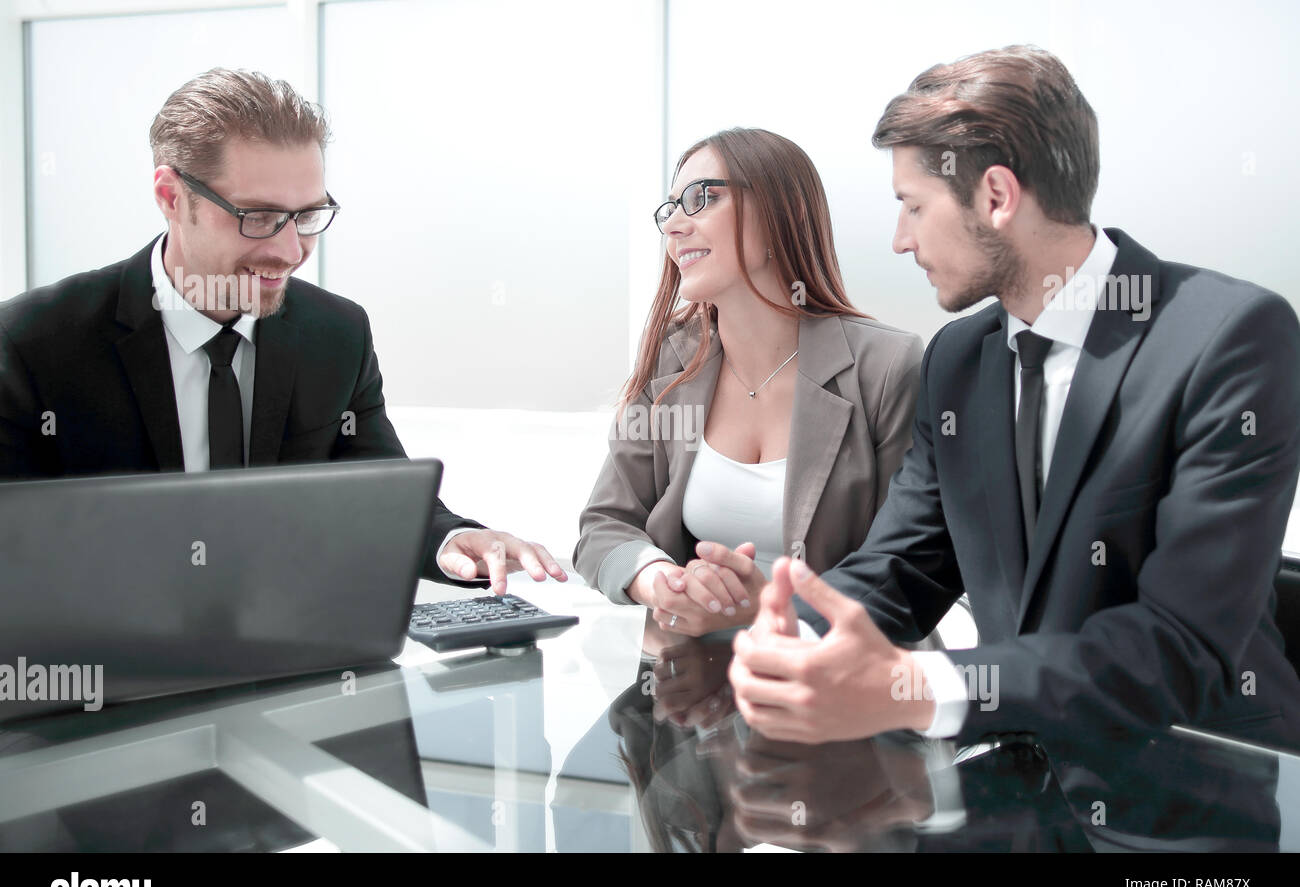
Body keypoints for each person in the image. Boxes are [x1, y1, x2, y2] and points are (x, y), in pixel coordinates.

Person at [718, 46, 1300, 750]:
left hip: (1188, 791)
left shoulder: (1232, 337)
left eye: (912, 206)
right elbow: (904, 566)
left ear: (995, 196)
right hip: (1011, 784)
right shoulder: (958, 359)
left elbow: (1182, 640)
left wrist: (918, 687)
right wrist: (791, 639)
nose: (901, 240)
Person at [0, 68, 563, 594]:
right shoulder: (34, 342)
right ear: (171, 197)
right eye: (258, 217)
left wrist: (445, 539)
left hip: (290, 661)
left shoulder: (336, 333)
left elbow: (371, 484)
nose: (290, 252)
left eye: (308, 216)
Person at [574, 128, 923, 636]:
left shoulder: (887, 366)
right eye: (670, 208)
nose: (673, 225)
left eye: (702, 198)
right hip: (695, 683)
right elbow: (604, 524)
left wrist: (773, 609)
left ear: (787, 213)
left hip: (837, 682)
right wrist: (658, 579)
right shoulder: (670, 361)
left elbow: (908, 569)